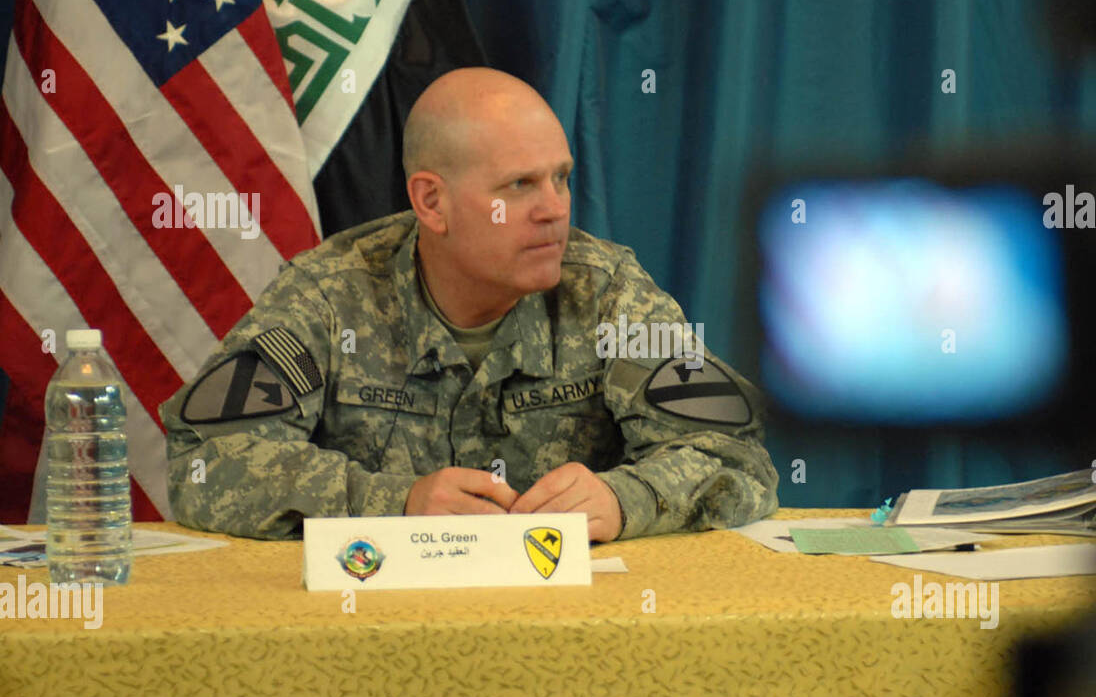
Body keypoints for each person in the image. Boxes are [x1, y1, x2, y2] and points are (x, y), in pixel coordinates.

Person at [159, 68, 779, 541]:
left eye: (561, 178)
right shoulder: (330, 295)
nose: (555, 208)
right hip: (369, 637)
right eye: (520, 185)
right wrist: (391, 504)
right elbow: (201, 463)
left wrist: (627, 498)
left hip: (571, 634)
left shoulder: (607, 293)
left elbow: (739, 454)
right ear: (431, 203)